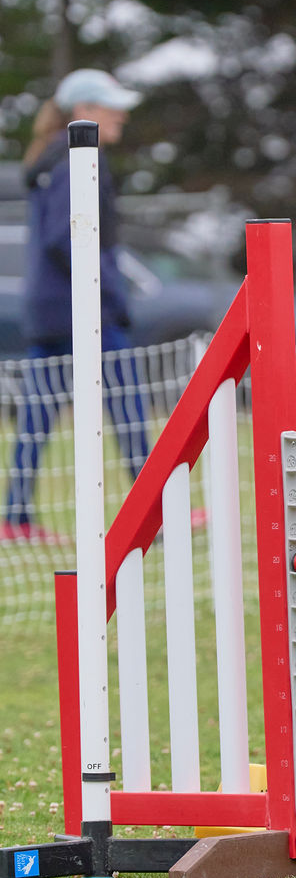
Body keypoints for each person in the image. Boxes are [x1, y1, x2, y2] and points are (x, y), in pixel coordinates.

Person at [2, 69, 151, 544]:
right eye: (113, 106)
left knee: (37, 415)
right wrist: (111, 292)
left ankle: (15, 516)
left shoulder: (47, 158)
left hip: (46, 308)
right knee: (128, 403)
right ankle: (152, 512)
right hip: (82, 309)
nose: (122, 115)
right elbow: (67, 237)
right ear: (84, 111)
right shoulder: (80, 158)